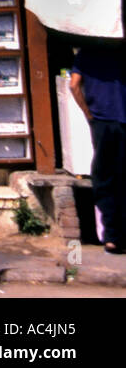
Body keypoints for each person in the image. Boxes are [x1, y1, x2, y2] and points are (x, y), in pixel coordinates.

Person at [69, 39, 126, 254]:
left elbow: (74, 85)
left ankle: (112, 237)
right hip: (123, 120)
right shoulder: (121, 50)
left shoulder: (86, 52)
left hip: (101, 122)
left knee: (104, 178)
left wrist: (88, 113)